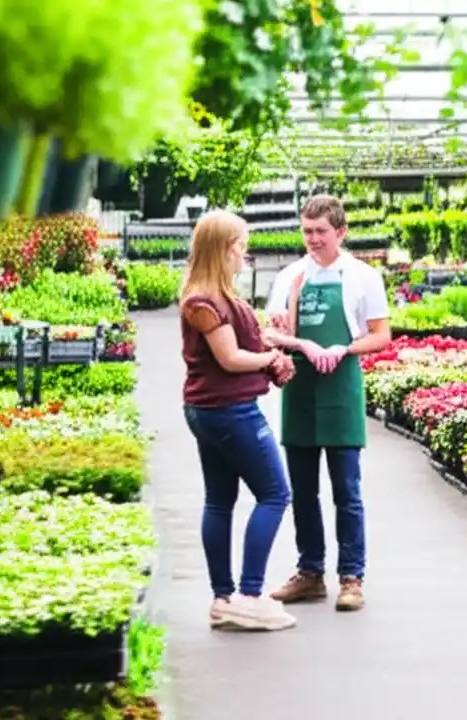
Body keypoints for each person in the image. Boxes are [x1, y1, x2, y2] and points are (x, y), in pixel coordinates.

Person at [262, 195, 390, 612]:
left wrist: (343, 348)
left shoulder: (363, 277)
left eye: (320, 232)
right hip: (299, 388)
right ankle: (310, 572)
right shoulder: (289, 277)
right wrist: (287, 334)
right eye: (307, 231)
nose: (312, 240)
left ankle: (351, 577)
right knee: (302, 491)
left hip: (341, 387)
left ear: (341, 232)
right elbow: (272, 331)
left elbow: (380, 335)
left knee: (346, 490)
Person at [179, 210, 298, 632]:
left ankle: (223, 598)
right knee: (275, 493)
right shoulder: (205, 301)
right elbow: (230, 359)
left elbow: (238, 346)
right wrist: (270, 359)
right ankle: (248, 595)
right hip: (229, 410)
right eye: (241, 246)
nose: (243, 254)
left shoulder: (210, 296)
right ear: (225, 248)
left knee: (219, 500)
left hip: (209, 410)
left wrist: (268, 345)